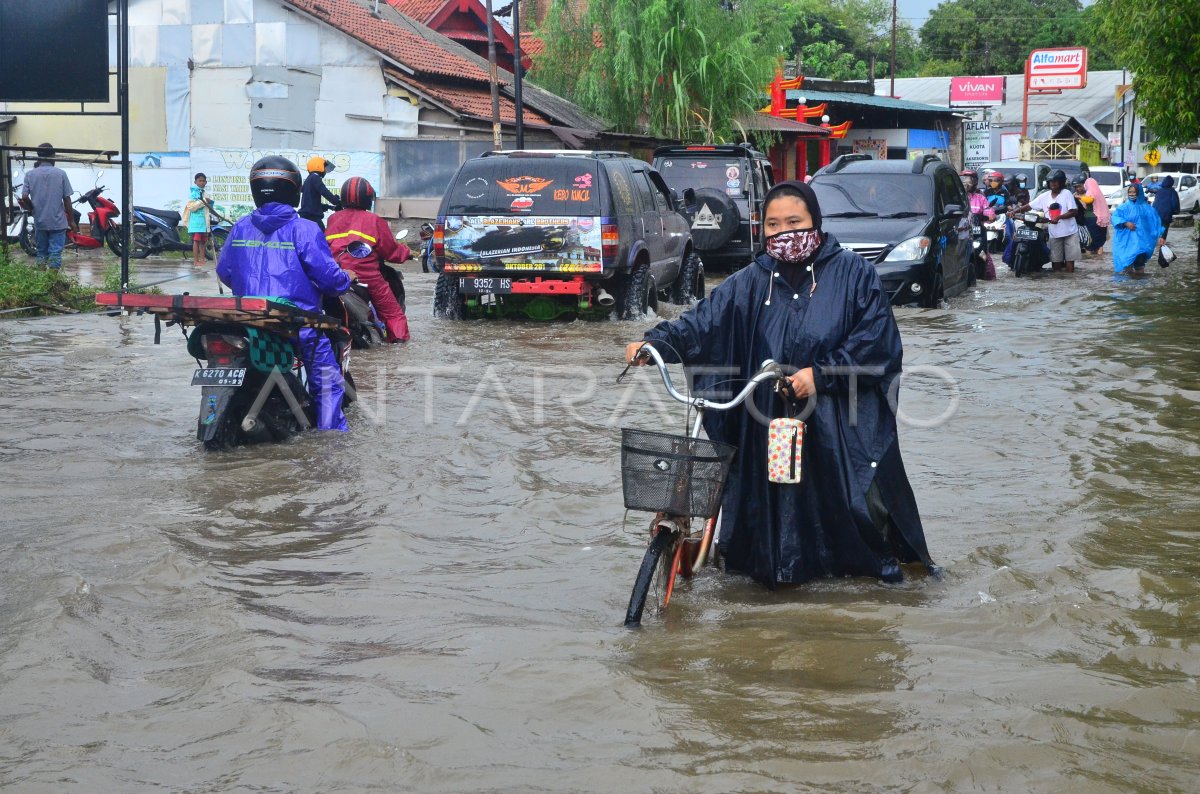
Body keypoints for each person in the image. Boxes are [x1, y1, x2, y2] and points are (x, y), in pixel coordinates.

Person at [622, 181, 936, 589]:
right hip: (764, 421)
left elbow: (877, 343)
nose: (784, 232)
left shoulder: (854, 274)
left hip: (833, 424)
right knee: (765, 519)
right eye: (774, 224)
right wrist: (656, 343)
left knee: (849, 520)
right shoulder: (751, 280)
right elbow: (702, 322)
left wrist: (819, 376)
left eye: (794, 222)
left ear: (815, 222)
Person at [217, 156, 353, 431]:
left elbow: (225, 272)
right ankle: (331, 439)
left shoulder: (241, 226)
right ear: (294, 190)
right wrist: (345, 278)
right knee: (327, 382)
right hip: (296, 328)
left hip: (246, 324)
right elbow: (329, 279)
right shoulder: (305, 228)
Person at [324, 176, 412, 343]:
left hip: (336, 273)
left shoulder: (333, 219)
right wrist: (406, 253)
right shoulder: (374, 220)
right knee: (393, 314)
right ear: (368, 198)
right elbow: (391, 252)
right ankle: (399, 346)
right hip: (366, 277)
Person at [19, 142, 77, 270]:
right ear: (52, 155)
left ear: (39, 156)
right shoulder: (61, 174)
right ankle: (52, 282)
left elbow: (24, 197)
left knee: (41, 252)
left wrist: (32, 209)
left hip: (40, 221)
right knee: (55, 252)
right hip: (57, 222)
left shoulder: (30, 174)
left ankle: (42, 281)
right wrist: (72, 221)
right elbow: (67, 199)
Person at [1010, 169, 1080, 273]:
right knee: (1055, 262)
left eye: (1055, 181)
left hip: (1070, 232)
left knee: (1070, 263)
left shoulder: (1067, 194)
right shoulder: (1044, 196)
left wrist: (1059, 217)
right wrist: (1014, 211)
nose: (1053, 184)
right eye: (1051, 181)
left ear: (1061, 182)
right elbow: (1029, 206)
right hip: (1054, 233)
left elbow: (1074, 211)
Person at [1110, 182, 1164, 275]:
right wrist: (1125, 223)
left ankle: (1140, 287)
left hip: (1142, 243)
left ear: (1139, 193)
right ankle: (1129, 286)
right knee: (1127, 268)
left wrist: (1160, 236)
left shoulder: (1147, 209)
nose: (1131, 194)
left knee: (1140, 269)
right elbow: (1115, 217)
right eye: (1130, 192)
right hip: (1126, 243)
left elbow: (1155, 223)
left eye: (1134, 192)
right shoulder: (1124, 207)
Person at [299, 157, 341, 230]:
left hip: (306, 217)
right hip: (312, 219)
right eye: (324, 167)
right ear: (318, 166)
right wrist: (337, 202)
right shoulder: (315, 177)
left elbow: (312, 203)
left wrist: (331, 207)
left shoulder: (309, 179)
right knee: (323, 238)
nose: (325, 170)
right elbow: (324, 192)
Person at [183, 172, 213, 268]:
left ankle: (202, 260)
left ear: (206, 182)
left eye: (203, 181)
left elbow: (209, 207)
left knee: (203, 242)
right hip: (196, 223)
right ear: (195, 182)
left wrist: (210, 202)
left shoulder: (205, 193)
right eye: (200, 180)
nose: (202, 182)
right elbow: (191, 207)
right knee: (196, 241)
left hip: (204, 222)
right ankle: (196, 261)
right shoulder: (193, 194)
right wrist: (202, 201)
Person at [1082, 176, 1111, 256]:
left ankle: (1089, 261)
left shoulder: (1089, 192)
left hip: (1091, 219)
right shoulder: (1100, 193)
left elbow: (1089, 200)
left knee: (1089, 243)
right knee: (1100, 242)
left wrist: (1080, 197)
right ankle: (1099, 259)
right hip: (1103, 219)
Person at [1152, 175, 1180, 240]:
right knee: (1164, 231)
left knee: (1157, 230)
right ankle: (1162, 246)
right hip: (1166, 215)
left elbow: (1155, 202)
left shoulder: (1159, 191)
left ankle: (1157, 244)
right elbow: (1175, 203)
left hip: (1156, 214)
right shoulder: (1173, 192)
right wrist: (1176, 211)